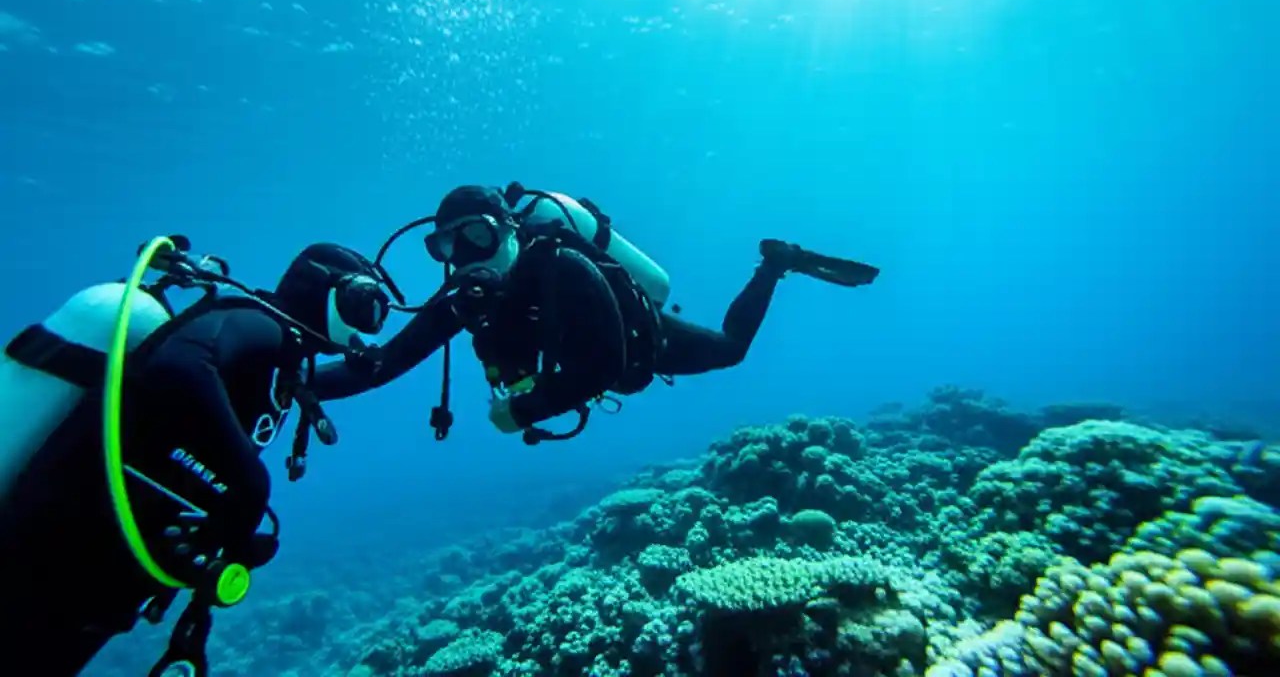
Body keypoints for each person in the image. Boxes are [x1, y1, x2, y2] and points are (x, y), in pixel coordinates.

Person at [0, 237, 391, 677]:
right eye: (364, 306)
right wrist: (248, 487)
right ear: (325, 290)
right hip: (58, 554)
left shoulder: (283, 363)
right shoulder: (256, 322)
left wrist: (450, 315)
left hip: (95, 569)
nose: (368, 325)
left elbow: (361, 375)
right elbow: (179, 367)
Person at [313, 182, 880, 443]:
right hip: (579, 363)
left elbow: (605, 366)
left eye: (477, 237)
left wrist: (527, 409)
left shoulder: (562, 266)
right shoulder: (467, 298)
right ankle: (776, 265)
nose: (462, 258)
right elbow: (384, 363)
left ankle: (774, 265)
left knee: (731, 350)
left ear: (509, 231)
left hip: (639, 343)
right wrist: (296, 379)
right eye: (445, 247)